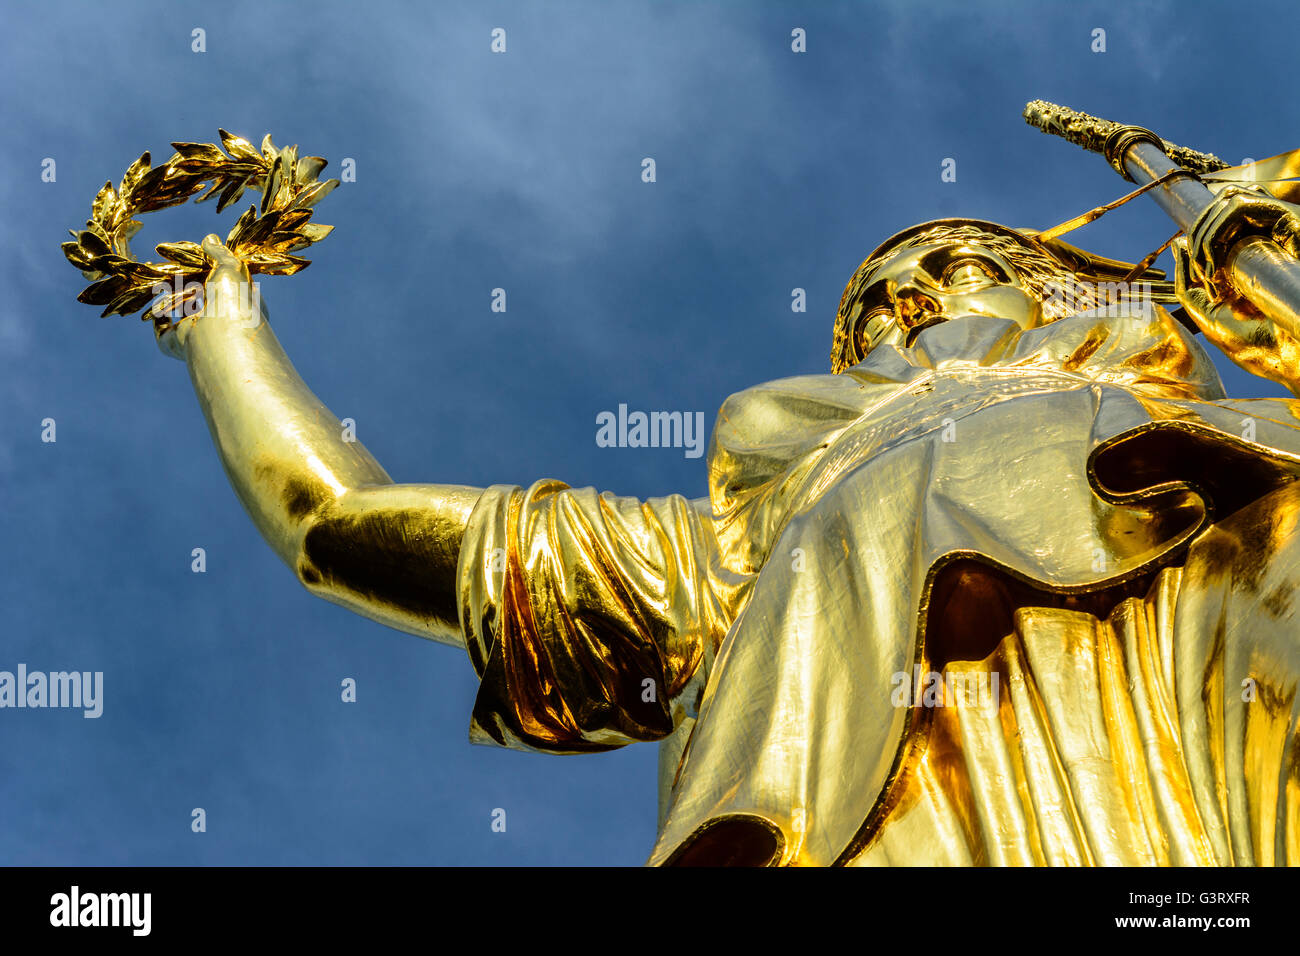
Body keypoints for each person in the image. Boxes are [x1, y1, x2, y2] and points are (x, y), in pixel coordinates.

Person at [156, 188, 1300, 866]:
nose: (909, 300)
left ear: (1058, 290)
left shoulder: (1240, 440)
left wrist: (1254, 250)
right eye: (873, 307)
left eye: (955, 266)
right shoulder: (734, 558)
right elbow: (334, 524)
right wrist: (220, 320)